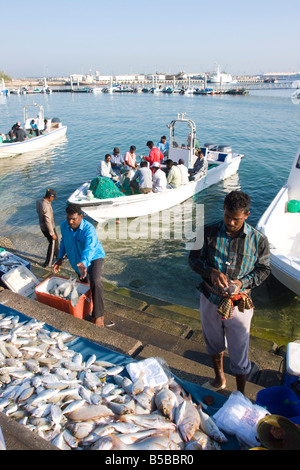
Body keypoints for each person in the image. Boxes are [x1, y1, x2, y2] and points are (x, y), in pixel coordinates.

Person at [189, 191, 271, 394]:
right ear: (223, 210)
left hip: (239, 303)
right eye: (227, 216)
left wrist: (242, 283)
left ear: (247, 215)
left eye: (236, 219)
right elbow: (193, 260)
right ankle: (219, 379)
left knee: (240, 348)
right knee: (213, 342)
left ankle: (241, 392)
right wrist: (210, 271)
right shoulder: (206, 231)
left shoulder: (258, 240)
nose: (231, 222)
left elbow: (264, 269)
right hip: (210, 298)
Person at [53, 203, 106, 327]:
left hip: (93, 257)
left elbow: (89, 248)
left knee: (95, 281)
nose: (70, 222)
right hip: (76, 261)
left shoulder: (89, 229)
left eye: (74, 219)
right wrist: (60, 258)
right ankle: (89, 306)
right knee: (85, 284)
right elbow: (64, 242)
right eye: (68, 218)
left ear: (81, 217)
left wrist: (84, 263)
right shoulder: (63, 226)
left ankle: (99, 315)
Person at [36, 189, 59, 267]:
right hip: (48, 228)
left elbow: (37, 210)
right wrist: (52, 233)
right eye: (53, 198)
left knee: (56, 242)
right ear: (50, 197)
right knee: (52, 244)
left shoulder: (39, 201)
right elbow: (48, 221)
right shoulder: (45, 206)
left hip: (43, 226)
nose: (53, 200)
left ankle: (59, 257)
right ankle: (48, 263)